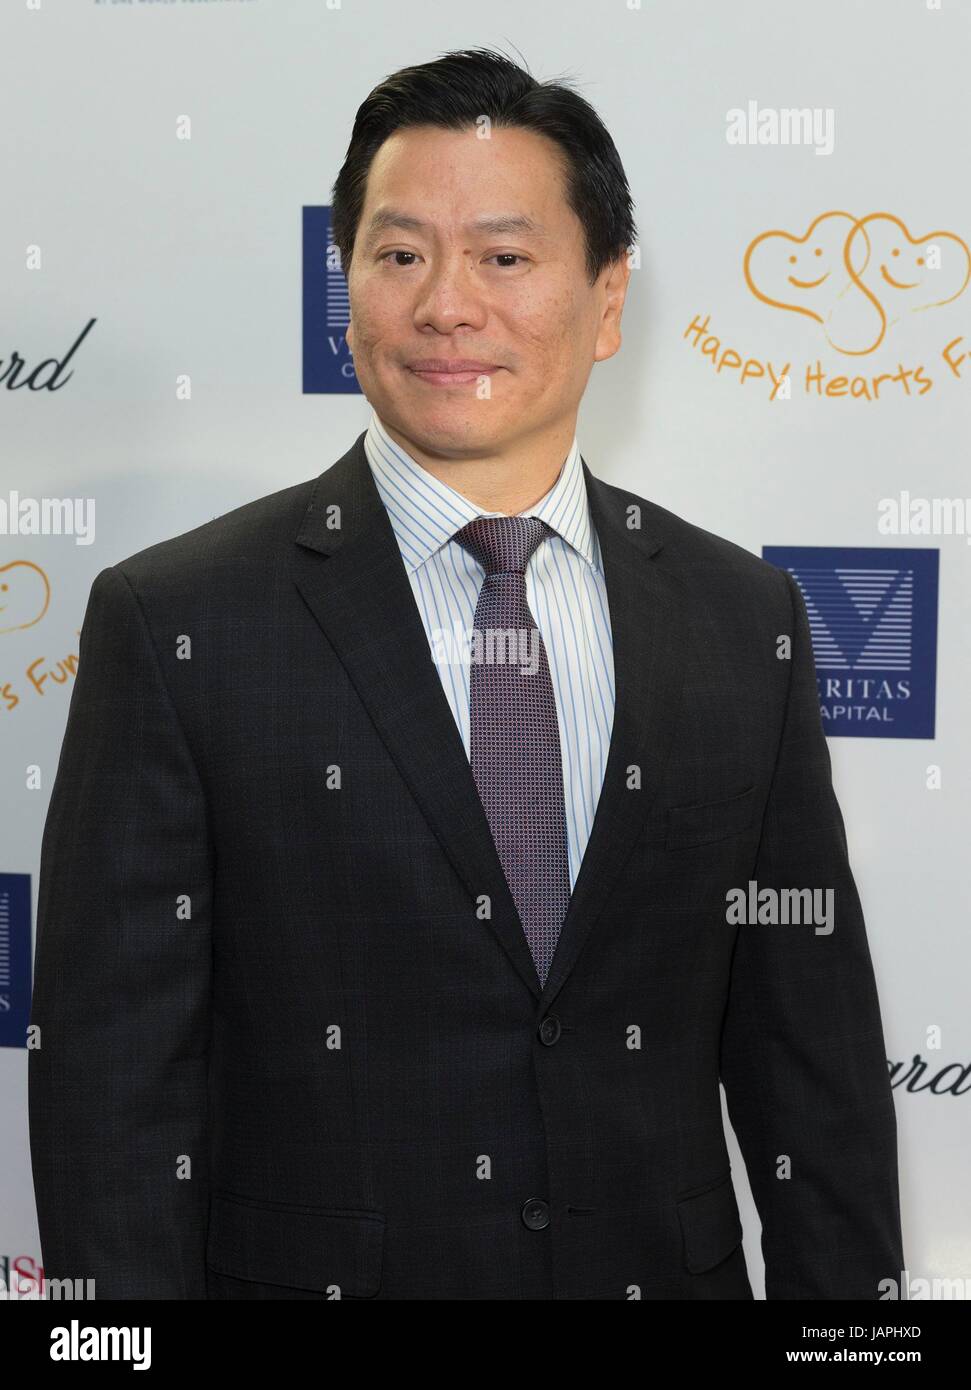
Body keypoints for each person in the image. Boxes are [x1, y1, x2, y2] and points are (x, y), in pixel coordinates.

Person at [28, 47, 903, 1300]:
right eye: (398, 256)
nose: (446, 304)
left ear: (606, 300)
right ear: (346, 289)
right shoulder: (177, 621)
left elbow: (806, 1058)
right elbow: (112, 1090)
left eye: (503, 256)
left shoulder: (739, 618)